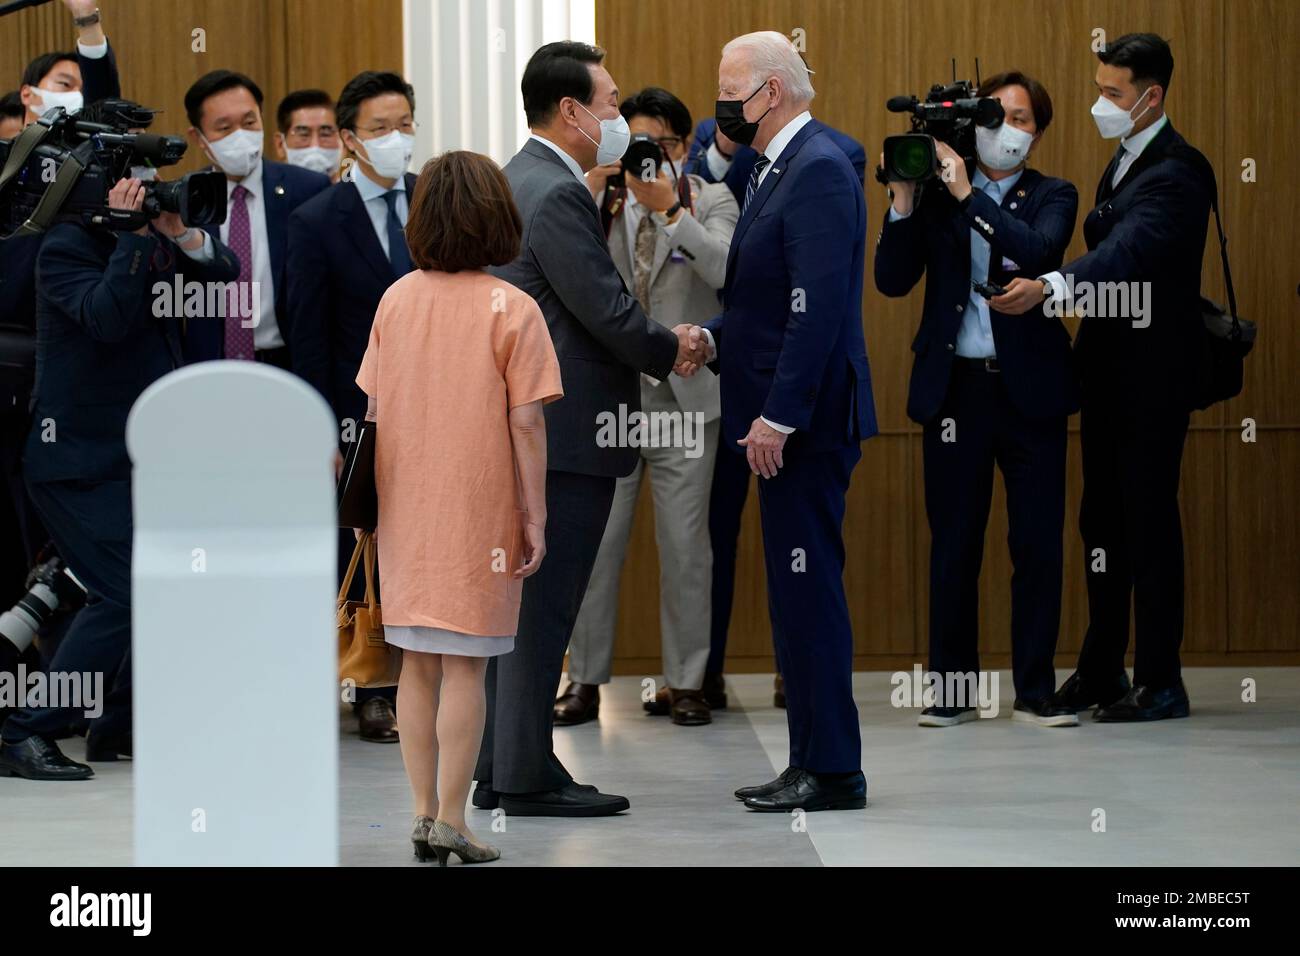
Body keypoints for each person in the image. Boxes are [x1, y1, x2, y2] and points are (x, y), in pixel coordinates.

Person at [471, 41, 705, 818]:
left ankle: (504, 763)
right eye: (608, 103)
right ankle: (524, 776)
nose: (617, 117)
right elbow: (604, 312)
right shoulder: (559, 193)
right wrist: (674, 346)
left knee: (522, 614)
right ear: (570, 112)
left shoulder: (516, 177)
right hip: (568, 434)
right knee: (544, 612)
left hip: (536, 424)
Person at [0, 102, 240, 780]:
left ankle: (119, 727)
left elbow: (219, 278)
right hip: (73, 461)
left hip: (135, 459)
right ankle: (25, 730)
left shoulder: (147, 242)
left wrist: (176, 232)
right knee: (126, 592)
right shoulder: (65, 250)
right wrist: (138, 241)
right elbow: (105, 320)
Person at [996, 34, 1212, 722]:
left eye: (1114, 94)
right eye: (1100, 88)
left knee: (1146, 521)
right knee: (1102, 523)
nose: (1101, 104)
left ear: (1152, 97)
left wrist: (1053, 286)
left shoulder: (1179, 171)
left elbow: (1128, 252)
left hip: (1153, 377)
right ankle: (1101, 667)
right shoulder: (1124, 161)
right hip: (1109, 374)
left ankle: (1161, 678)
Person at [355, 150, 561, 865]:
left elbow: (374, 412)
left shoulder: (395, 299)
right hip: (483, 509)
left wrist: (373, 508)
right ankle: (452, 817)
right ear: (497, 218)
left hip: (407, 506)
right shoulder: (515, 308)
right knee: (467, 669)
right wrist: (534, 515)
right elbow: (527, 423)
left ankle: (418, 813)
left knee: (417, 665)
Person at [695, 31, 875, 811]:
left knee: (808, 596)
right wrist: (713, 339)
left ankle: (832, 769)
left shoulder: (818, 171)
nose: (722, 100)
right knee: (793, 596)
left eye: (731, 86)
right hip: (780, 420)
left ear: (770, 92)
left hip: (801, 428)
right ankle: (811, 757)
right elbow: (769, 305)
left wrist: (777, 416)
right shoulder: (779, 167)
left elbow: (818, 313)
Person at [874, 71, 1080, 727]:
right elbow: (891, 280)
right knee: (955, 544)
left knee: (1038, 546)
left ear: (1037, 132)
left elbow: (1038, 250)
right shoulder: (934, 198)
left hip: (1031, 393)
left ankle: (1036, 689)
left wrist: (967, 194)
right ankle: (953, 693)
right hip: (955, 391)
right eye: (1001, 115)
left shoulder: (1053, 193)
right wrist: (905, 200)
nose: (1010, 129)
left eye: (1023, 119)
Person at [559, 86, 737, 728]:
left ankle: (687, 682)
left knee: (687, 546)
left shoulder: (710, 199)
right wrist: (594, 183)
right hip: (609, 404)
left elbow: (722, 271)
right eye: (633, 144)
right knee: (595, 545)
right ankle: (583, 679)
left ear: (685, 148)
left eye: (659, 145)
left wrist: (669, 214)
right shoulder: (595, 202)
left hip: (687, 404)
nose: (645, 158)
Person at [287, 70, 420, 742]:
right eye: (379, 129)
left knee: (420, 545)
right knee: (360, 546)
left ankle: (419, 675)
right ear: (349, 138)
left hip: (435, 408)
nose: (395, 140)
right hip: (354, 410)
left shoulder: (432, 202)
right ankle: (370, 686)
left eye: (404, 125)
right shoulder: (315, 221)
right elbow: (307, 337)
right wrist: (321, 428)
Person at [181, 70, 330, 369]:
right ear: (198, 137)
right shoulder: (183, 201)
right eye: (224, 127)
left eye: (249, 123)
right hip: (211, 368)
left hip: (288, 365)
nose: (240, 135)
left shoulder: (309, 190)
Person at [274, 88, 344, 182]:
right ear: (280, 145)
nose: (315, 146)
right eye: (304, 135)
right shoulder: (266, 196)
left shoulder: (357, 196)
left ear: (344, 142)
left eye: (325, 134)